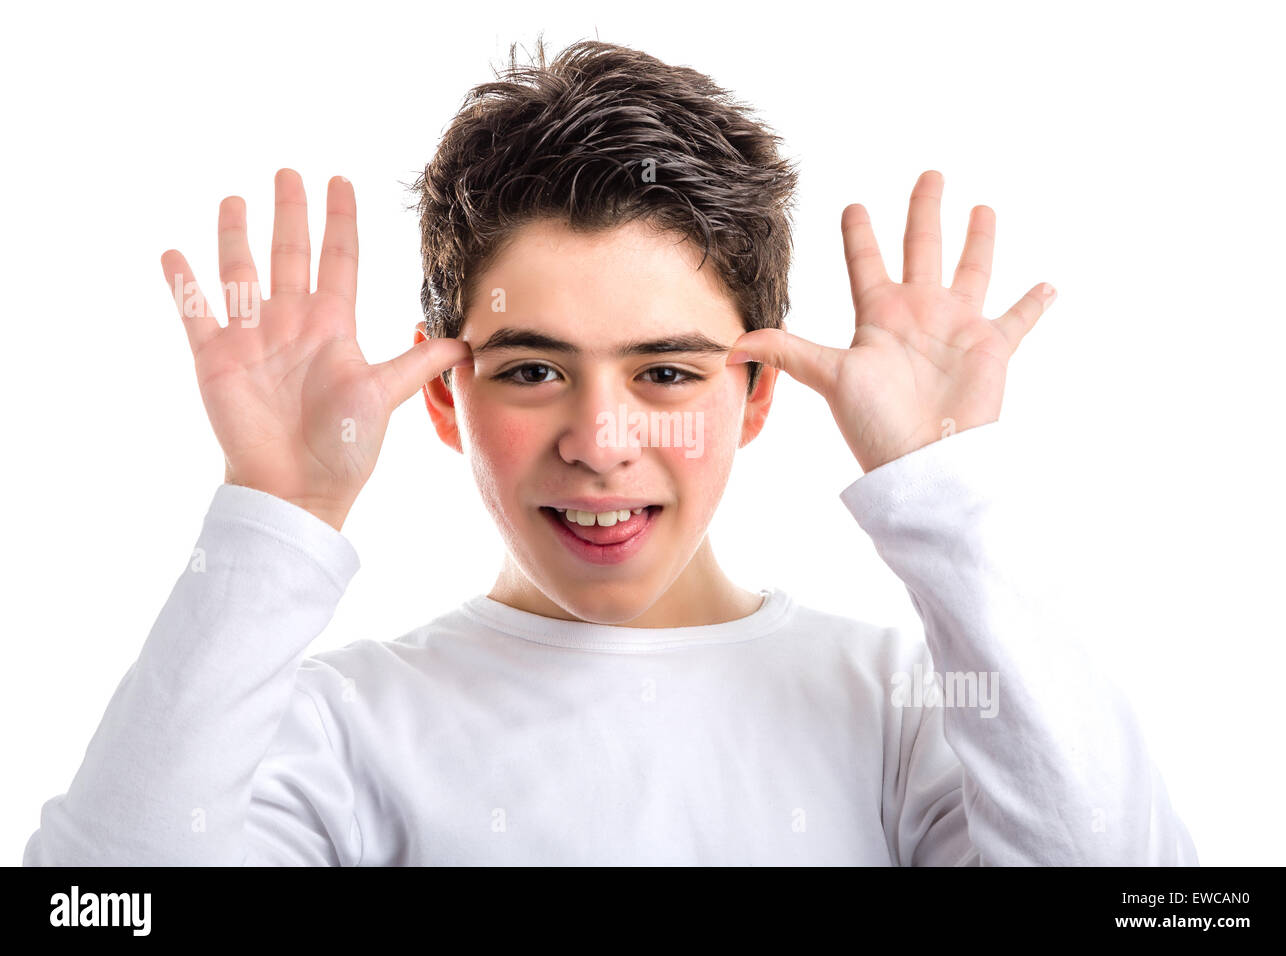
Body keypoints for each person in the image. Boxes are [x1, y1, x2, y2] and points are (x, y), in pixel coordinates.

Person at [23, 39, 1197, 865]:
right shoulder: (343, 727)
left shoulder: (903, 711)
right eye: (532, 370)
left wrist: (941, 494)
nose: (599, 442)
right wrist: (276, 505)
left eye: (667, 371)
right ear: (442, 397)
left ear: (754, 398)